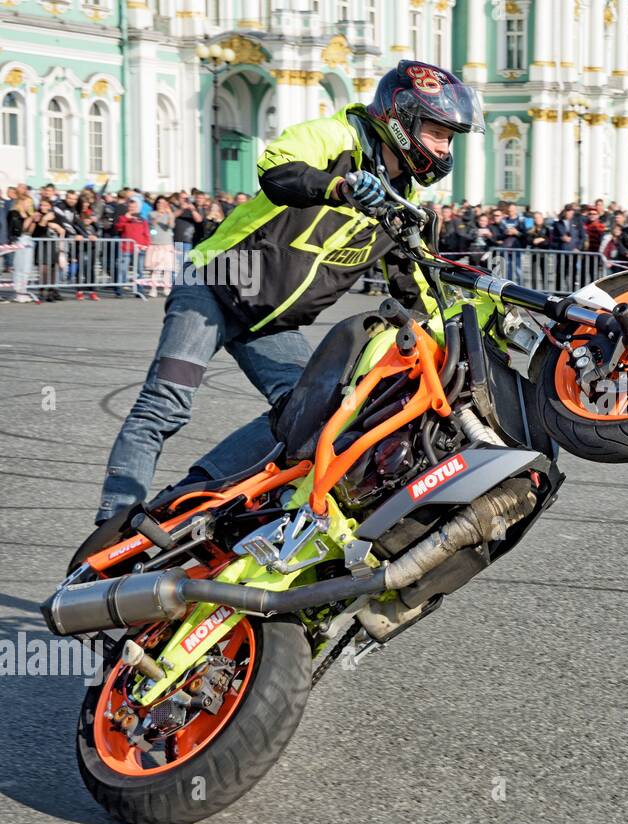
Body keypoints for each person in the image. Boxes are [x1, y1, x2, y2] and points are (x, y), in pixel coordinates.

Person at [93, 60, 484, 527]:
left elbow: (411, 284)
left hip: (274, 323)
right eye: (439, 133)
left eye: (450, 138)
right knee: (166, 403)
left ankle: (188, 503)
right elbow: (276, 171)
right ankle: (111, 523)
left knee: (312, 419)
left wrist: (453, 333)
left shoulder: (401, 204)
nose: (444, 148)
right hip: (214, 289)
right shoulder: (334, 136)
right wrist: (339, 187)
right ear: (403, 120)